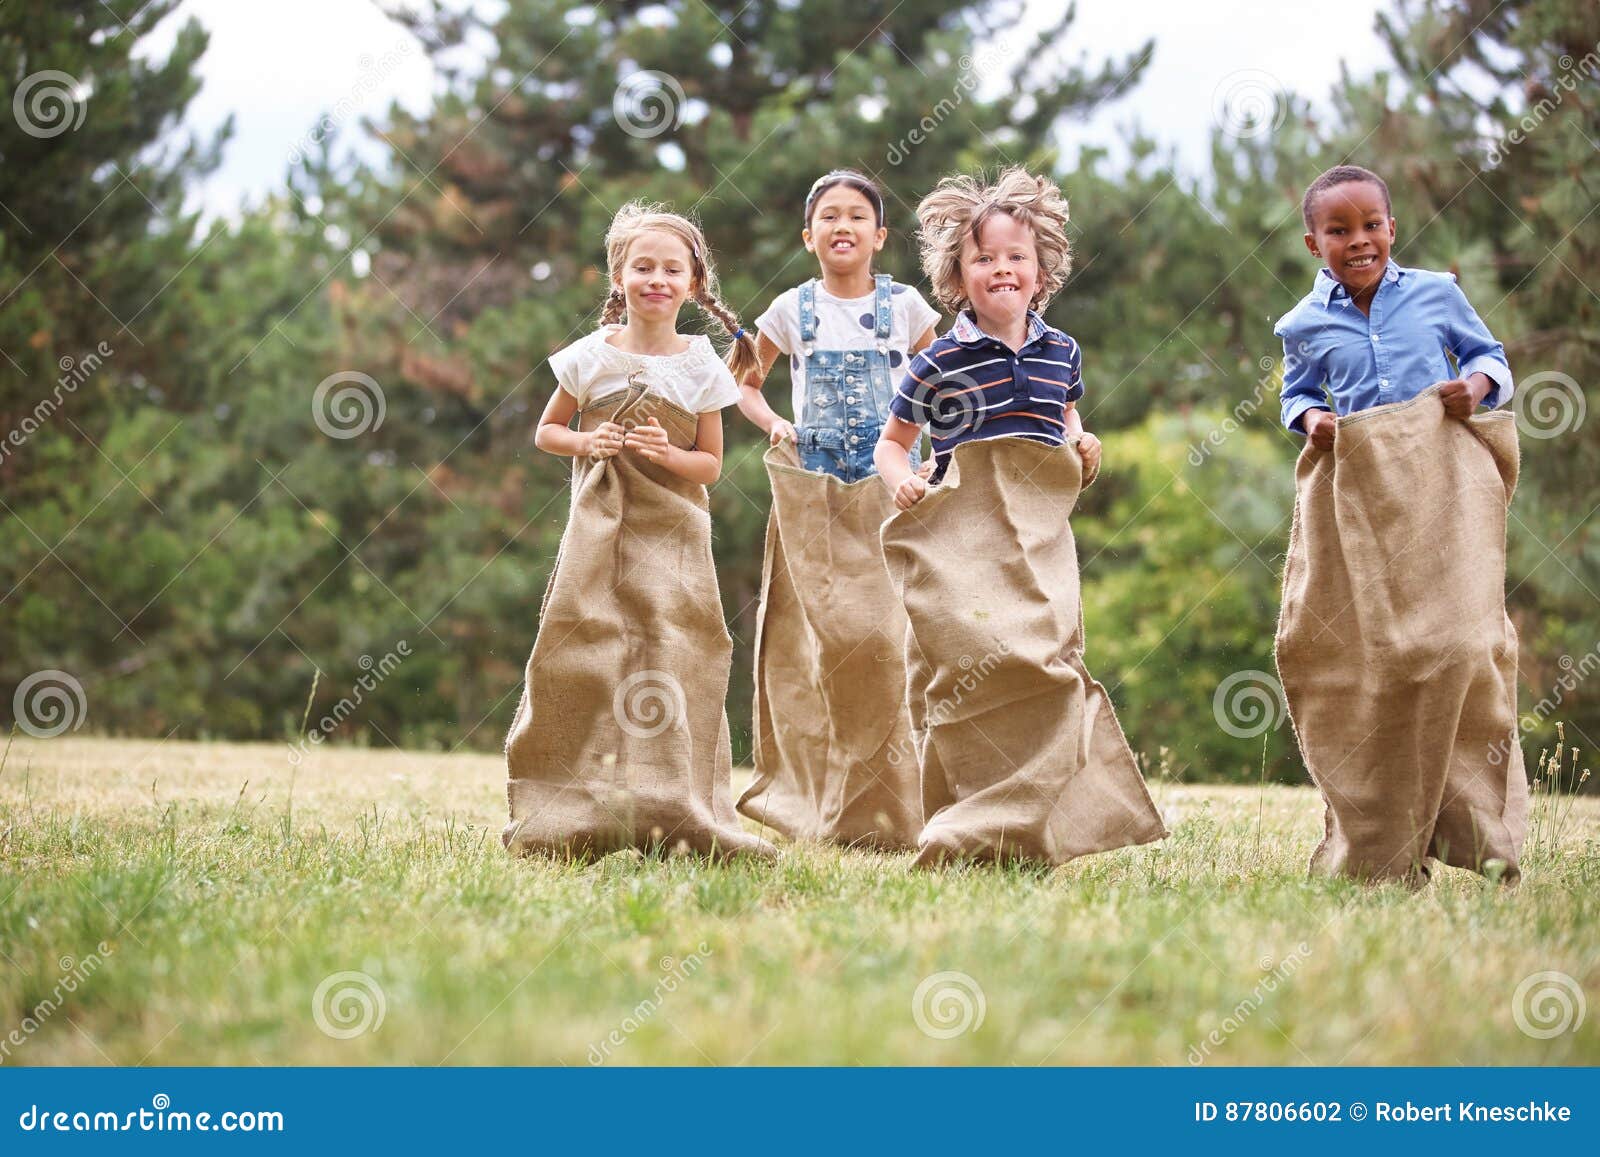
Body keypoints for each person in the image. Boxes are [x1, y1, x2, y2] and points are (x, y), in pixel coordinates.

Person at [1272, 164, 1526, 884]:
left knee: (1459, 643)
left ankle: (1473, 823)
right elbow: (1296, 396)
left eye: (1371, 225)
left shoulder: (1437, 294)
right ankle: (1380, 839)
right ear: (1312, 242)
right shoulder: (1304, 323)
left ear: (1392, 227)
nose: (1359, 240)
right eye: (1339, 230)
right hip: (1365, 499)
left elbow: (1490, 358)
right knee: (1378, 659)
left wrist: (1472, 389)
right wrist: (1314, 419)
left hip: (1438, 487)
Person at [502, 202, 775, 861]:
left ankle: (673, 809)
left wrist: (665, 453)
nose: (657, 277)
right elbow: (547, 432)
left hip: (673, 535)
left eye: (671, 268)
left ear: (694, 285)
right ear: (618, 277)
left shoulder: (703, 368)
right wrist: (588, 439)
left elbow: (709, 465)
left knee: (674, 650)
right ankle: (564, 810)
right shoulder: (588, 357)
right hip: (599, 531)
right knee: (583, 645)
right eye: (642, 265)